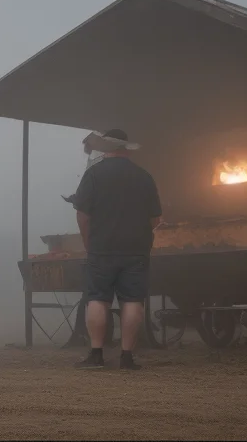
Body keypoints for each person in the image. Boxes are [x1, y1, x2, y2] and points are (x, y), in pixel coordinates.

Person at [65, 129, 161, 370]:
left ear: (106, 148)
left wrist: (89, 242)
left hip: (102, 248)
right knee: (132, 301)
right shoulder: (144, 177)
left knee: (98, 299)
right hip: (136, 250)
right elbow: (155, 219)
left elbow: (82, 216)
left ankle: (96, 354)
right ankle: (127, 357)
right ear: (126, 148)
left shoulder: (93, 175)